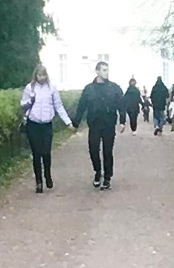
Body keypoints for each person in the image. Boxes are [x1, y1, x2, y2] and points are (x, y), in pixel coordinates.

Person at [19, 61, 71, 192]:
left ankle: (47, 175)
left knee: (46, 152)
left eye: (43, 75)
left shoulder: (52, 88)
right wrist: (30, 101)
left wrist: (68, 122)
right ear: (35, 76)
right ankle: (38, 181)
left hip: (46, 124)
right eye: (39, 75)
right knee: (36, 153)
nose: (41, 78)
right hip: (33, 124)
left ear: (46, 76)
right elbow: (22, 105)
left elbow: (58, 106)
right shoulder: (29, 88)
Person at [77, 59, 126, 189]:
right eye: (104, 70)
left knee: (107, 151)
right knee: (93, 149)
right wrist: (75, 123)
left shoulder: (114, 88)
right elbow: (81, 106)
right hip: (94, 124)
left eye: (107, 70)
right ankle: (98, 171)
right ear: (97, 71)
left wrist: (122, 121)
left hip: (109, 124)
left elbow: (121, 105)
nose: (106, 72)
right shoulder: (89, 89)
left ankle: (107, 177)